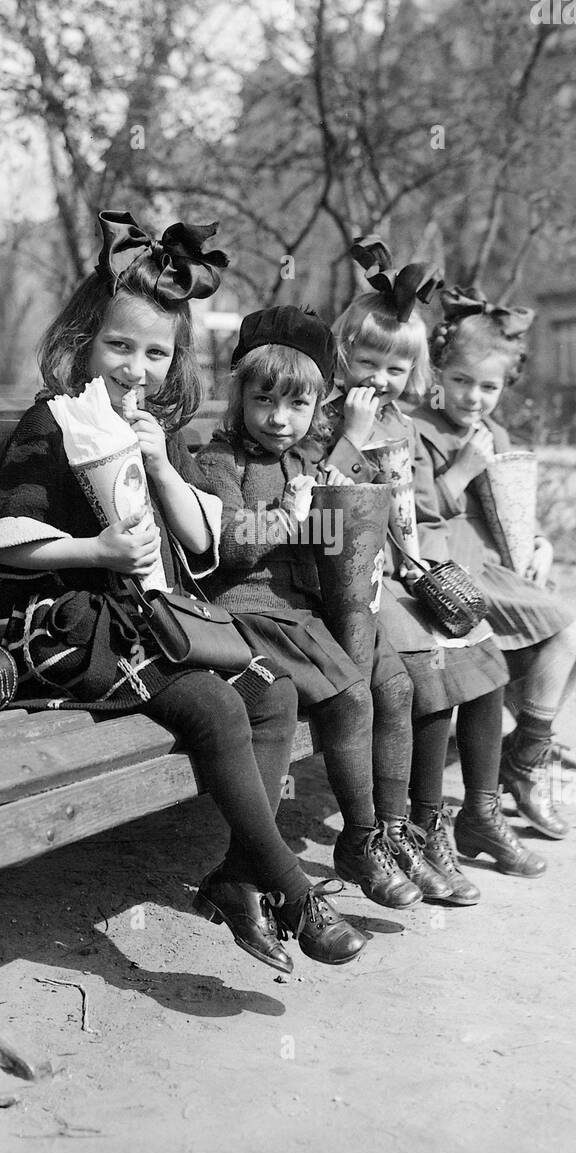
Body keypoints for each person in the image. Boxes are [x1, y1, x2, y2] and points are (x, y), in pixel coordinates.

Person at [0, 210, 366, 973]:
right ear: (86, 343)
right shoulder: (54, 424)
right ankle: (294, 889)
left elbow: (200, 543)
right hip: (75, 627)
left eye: (156, 353)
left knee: (273, 693)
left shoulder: (156, 430)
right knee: (216, 703)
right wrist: (95, 547)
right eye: (120, 346)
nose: (135, 368)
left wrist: (159, 464)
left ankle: (237, 879)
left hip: (158, 624)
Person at [194, 304, 458, 910]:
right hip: (254, 610)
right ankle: (360, 841)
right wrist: (291, 513)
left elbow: (348, 523)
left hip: (316, 607)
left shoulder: (306, 459)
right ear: (239, 397)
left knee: (394, 686)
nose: (280, 420)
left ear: (318, 407)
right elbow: (230, 547)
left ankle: (393, 834)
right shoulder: (222, 463)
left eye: (299, 406)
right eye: (266, 402)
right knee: (352, 695)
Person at [323, 238, 547, 882]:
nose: (378, 380)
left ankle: (470, 814)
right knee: (434, 666)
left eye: (395, 371)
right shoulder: (326, 418)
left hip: (402, 573)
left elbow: (410, 516)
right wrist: (351, 439)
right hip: (347, 583)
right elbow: (315, 506)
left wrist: (418, 565)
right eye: (366, 362)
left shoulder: (401, 423)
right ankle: (418, 827)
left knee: (484, 653)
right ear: (344, 356)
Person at [413, 286, 576, 838]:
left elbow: (509, 506)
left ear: (504, 386)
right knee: (571, 633)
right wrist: (464, 469)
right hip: (451, 571)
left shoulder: (493, 432)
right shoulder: (419, 428)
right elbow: (417, 514)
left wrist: (540, 541)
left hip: (499, 564)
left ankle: (521, 761)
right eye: (461, 382)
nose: (473, 397)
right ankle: (523, 768)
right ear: (438, 373)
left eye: (488, 387)